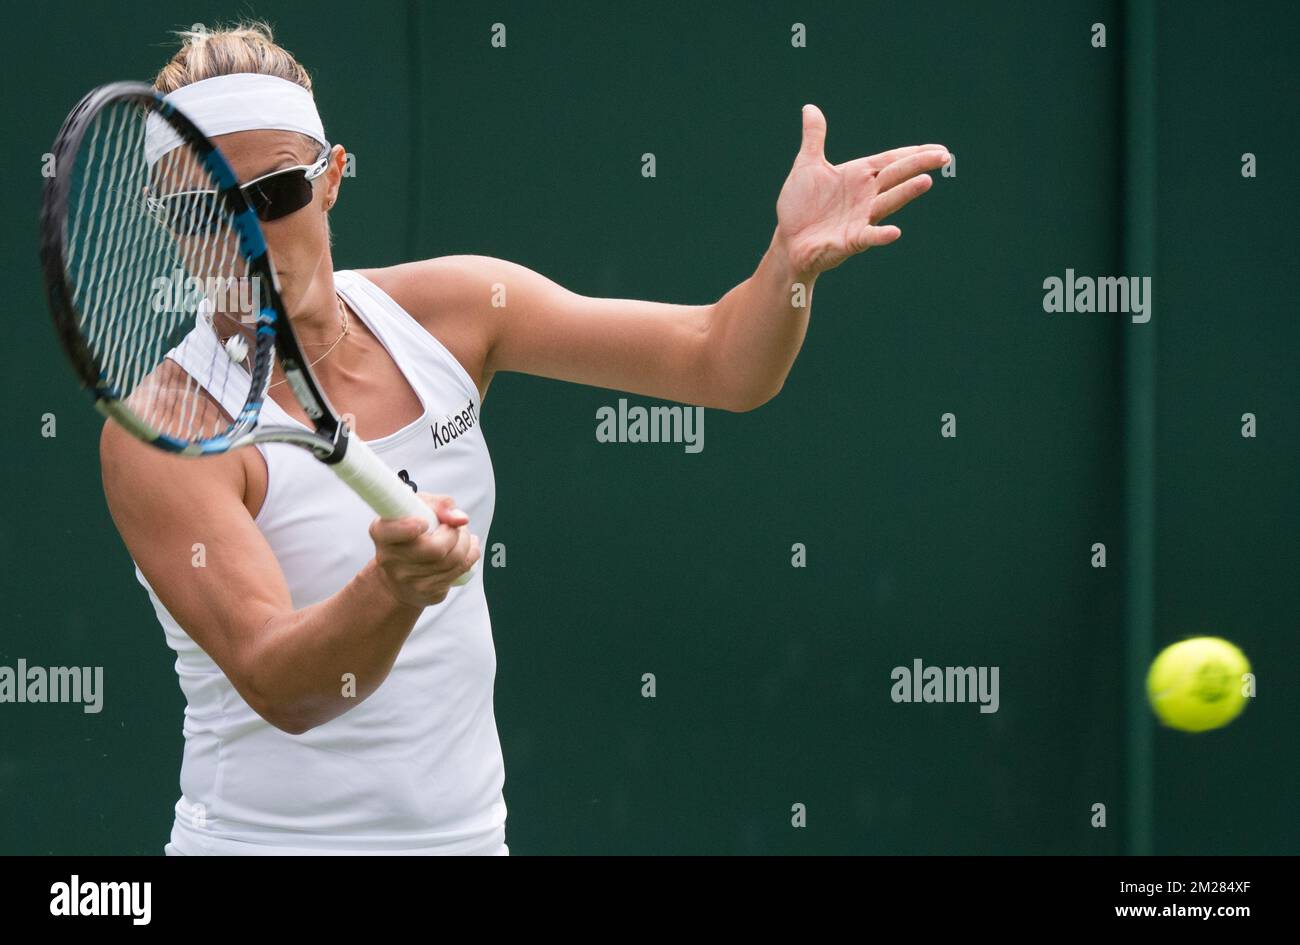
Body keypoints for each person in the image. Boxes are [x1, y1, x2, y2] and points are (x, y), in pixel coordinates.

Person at [102, 21, 950, 855]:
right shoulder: (162, 433)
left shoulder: (463, 310)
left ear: (331, 179)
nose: (242, 237)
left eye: (274, 193)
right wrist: (393, 587)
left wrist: (787, 266)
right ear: (162, 220)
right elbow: (281, 680)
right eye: (201, 208)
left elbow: (721, 364)